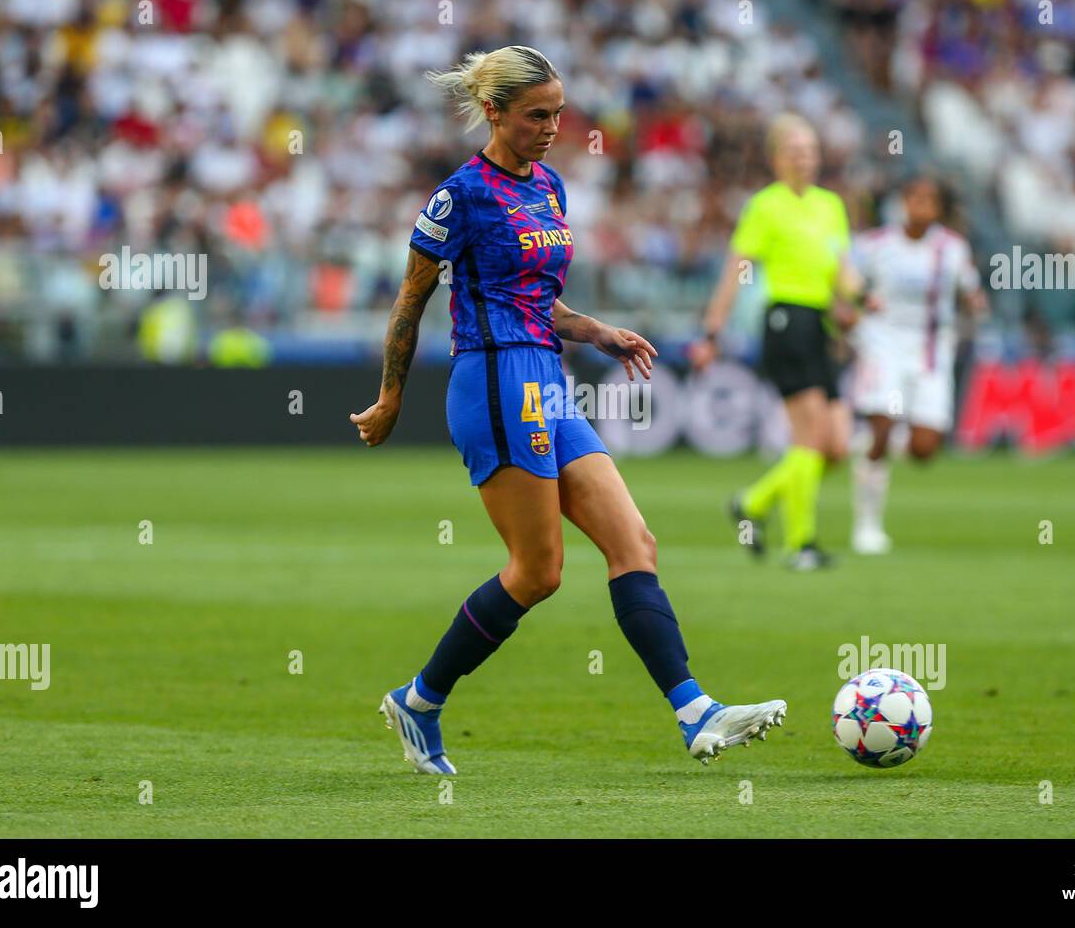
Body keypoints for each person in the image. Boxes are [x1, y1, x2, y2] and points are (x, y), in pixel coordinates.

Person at [348, 45, 785, 774]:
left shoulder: (548, 185)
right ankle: (421, 700)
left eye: (558, 113)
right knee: (538, 570)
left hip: (547, 378)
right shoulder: (461, 195)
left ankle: (694, 711)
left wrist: (597, 331)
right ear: (493, 112)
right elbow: (412, 295)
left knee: (634, 544)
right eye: (536, 115)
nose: (552, 127)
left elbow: (537, 299)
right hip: (491, 383)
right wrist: (393, 394)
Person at [693, 113, 860, 570]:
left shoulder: (830, 206)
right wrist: (712, 332)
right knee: (808, 438)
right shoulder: (765, 206)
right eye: (796, 151)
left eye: (811, 151)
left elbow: (842, 271)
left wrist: (861, 297)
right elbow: (735, 270)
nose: (805, 159)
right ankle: (800, 545)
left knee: (837, 446)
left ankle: (753, 502)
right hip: (786, 321)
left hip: (821, 327)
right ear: (776, 158)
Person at [848, 175, 986, 554]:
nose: (920, 206)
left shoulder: (952, 248)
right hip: (883, 345)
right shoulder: (875, 244)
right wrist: (851, 310)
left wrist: (975, 302)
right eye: (914, 198)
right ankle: (867, 526)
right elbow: (845, 284)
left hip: (930, 351)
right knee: (884, 424)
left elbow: (970, 289)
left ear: (940, 209)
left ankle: (873, 445)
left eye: (929, 200)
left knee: (925, 448)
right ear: (902, 202)